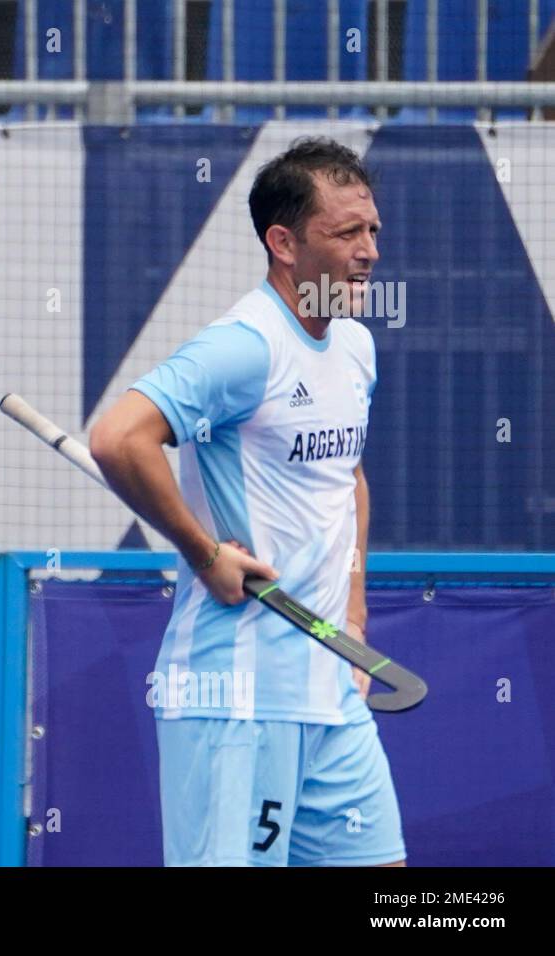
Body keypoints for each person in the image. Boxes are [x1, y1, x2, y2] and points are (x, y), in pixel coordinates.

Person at [89, 137, 405, 867]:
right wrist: (204, 556)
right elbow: (117, 438)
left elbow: (348, 479)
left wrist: (352, 615)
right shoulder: (243, 347)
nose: (369, 252)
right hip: (234, 694)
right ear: (284, 243)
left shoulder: (355, 346)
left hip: (328, 692)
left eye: (373, 231)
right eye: (347, 233)